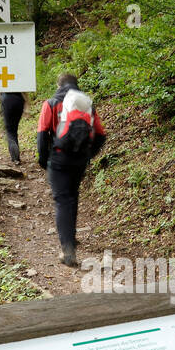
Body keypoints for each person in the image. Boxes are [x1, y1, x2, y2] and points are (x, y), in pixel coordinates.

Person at [36, 72, 106, 267]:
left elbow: (42, 134)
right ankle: (70, 238)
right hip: (80, 159)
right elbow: (100, 135)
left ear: (59, 85)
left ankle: (68, 249)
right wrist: (88, 155)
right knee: (72, 197)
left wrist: (43, 160)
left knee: (62, 200)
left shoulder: (50, 103)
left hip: (59, 157)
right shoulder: (86, 104)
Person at [0, 91, 25, 163]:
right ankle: (16, 154)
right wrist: (27, 103)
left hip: (7, 99)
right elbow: (24, 91)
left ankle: (15, 157)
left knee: (10, 131)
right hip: (19, 100)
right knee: (14, 129)